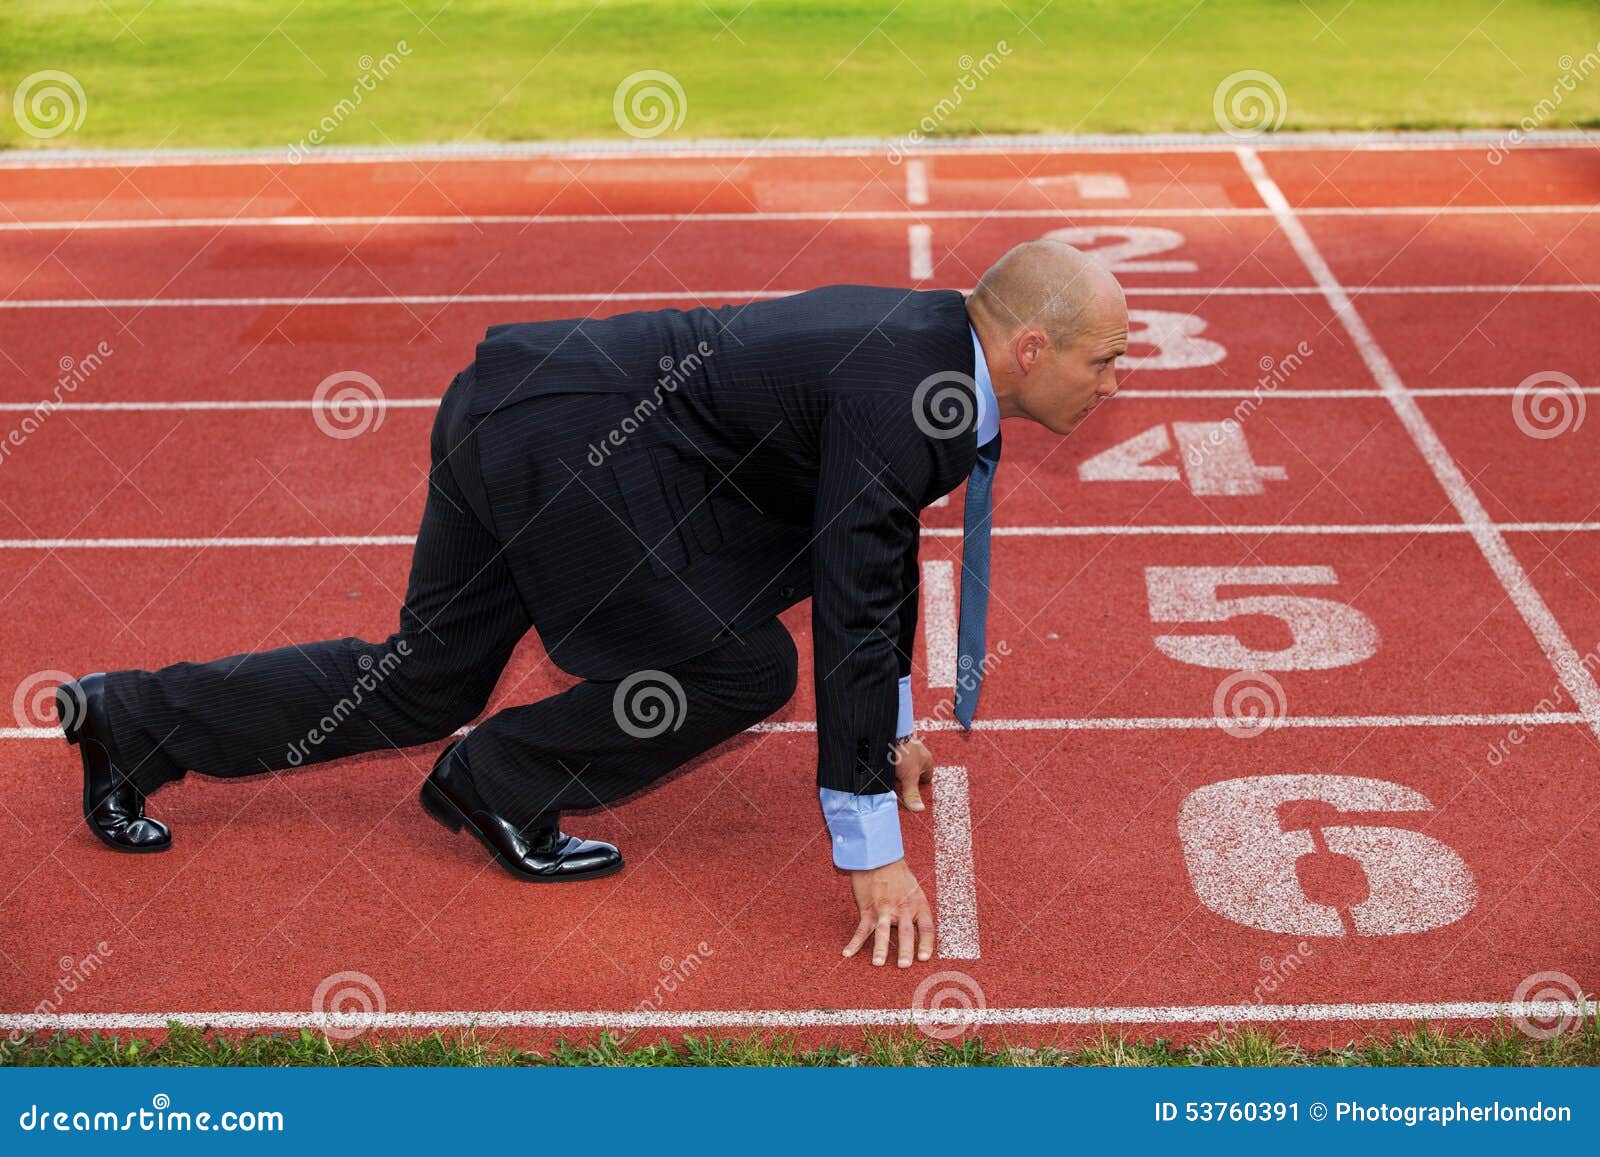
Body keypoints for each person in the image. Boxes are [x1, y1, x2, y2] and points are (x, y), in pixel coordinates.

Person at [55, 239, 1127, 968]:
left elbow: (878, 556)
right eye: (1105, 362)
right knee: (742, 664)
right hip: (572, 453)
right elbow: (851, 596)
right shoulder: (915, 393)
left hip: (519, 401)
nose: (1112, 386)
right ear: (1029, 349)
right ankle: (499, 775)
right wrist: (871, 846)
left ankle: (130, 718)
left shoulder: (929, 346)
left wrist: (889, 726)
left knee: (428, 673)